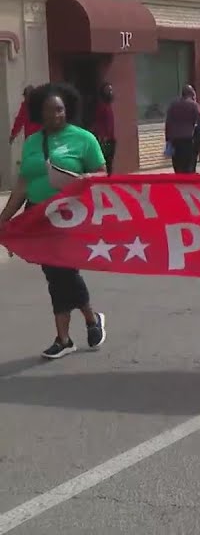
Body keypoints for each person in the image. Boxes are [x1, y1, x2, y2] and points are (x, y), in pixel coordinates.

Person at [0, 83, 107, 359]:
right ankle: (83, 324)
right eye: (48, 110)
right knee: (55, 274)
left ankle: (71, 333)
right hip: (38, 215)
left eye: (59, 109)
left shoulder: (84, 139)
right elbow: (23, 185)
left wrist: (85, 179)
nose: (55, 115)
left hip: (69, 214)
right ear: (39, 112)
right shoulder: (34, 142)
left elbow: (102, 175)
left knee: (64, 271)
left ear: (67, 109)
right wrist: (4, 219)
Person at [165, 85, 200, 174]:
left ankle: (179, 182)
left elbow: (168, 122)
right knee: (188, 165)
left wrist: (167, 139)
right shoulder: (194, 105)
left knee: (178, 165)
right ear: (191, 94)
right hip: (188, 139)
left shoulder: (173, 105)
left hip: (174, 139)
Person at [90, 82, 117, 175]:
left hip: (110, 139)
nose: (111, 92)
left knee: (110, 164)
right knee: (106, 164)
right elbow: (97, 123)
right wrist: (102, 137)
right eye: (108, 90)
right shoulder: (101, 106)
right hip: (105, 141)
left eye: (111, 90)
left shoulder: (108, 105)